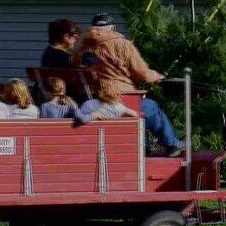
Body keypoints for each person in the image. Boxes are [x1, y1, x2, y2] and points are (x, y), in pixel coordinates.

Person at [74, 13, 183, 156]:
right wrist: (158, 77)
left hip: (90, 99)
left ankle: (146, 146)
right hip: (118, 99)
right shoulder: (122, 44)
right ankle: (171, 144)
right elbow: (142, 74)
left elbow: (75, 63)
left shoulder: (81, 45)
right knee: (152, 108)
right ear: (112, 27)